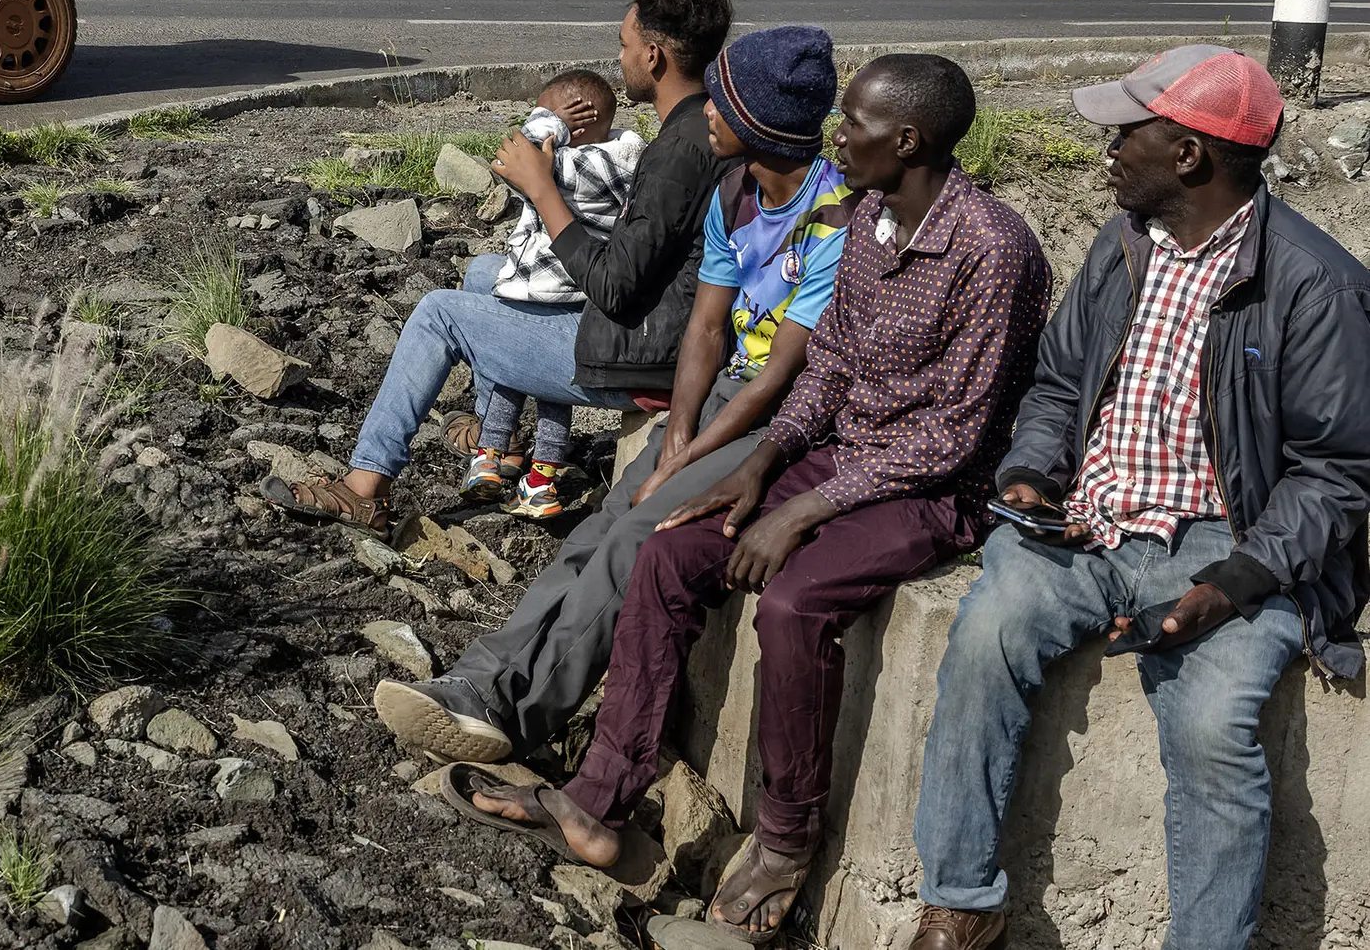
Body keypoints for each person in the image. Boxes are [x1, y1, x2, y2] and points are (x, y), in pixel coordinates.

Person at [436, 55, 1052, 947]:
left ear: (908, 140)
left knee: (796, 604)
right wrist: (762, 466)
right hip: (844, 451)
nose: (836, 139)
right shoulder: (872, 217)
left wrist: (799, 511)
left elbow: (953, 438)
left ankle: (784, 839)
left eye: (854, 124)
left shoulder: (993, 249)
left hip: (932, 490)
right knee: (674, 546)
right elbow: (827, 365)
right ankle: (600, 799)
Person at [906, 46, 1370, 950]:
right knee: (987, 635)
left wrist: (1231, 585)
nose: (1109, 150)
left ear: (1189, 154)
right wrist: (1032, 473)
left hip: (1229, 545)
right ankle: (960, 901)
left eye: (1129, 132)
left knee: (1210, 729)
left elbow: (1338, 474)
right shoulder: (1123, 247)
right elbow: (1055, 383)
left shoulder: (1317, 286)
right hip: (1090, 523)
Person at [374, 25, 851, 766]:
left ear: (758, 121)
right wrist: (677, 437)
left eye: (722, 102)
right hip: (723, 392)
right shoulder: (737, 190)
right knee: (601, 526)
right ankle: (477, 679)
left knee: (635, 538)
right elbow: (705, 330)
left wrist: (687, 452)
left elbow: (782, 372)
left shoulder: (834, 220)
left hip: (780, 416)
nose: (706, 113)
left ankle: (520, 712)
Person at [260, 0, 734, 533]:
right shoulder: (692, 130)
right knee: (490, 271)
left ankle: (366, 485)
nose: (621, 58)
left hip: (638, 360)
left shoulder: (675, 156)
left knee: (440, 314)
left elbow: (614, 287)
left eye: (625, 45)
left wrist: (542, 190)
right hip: (651, 332)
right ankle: (498, 436)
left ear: (654, 57)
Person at [465, 68, 650, 514]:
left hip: (540, 287)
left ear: (575, 125)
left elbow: (512, 155)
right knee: (551, 394)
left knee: (510, 371)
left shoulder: (583, 164)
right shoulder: (623, 152)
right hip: (572, 293)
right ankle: (541, 479)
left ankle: (490, 456)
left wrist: (554, 121)